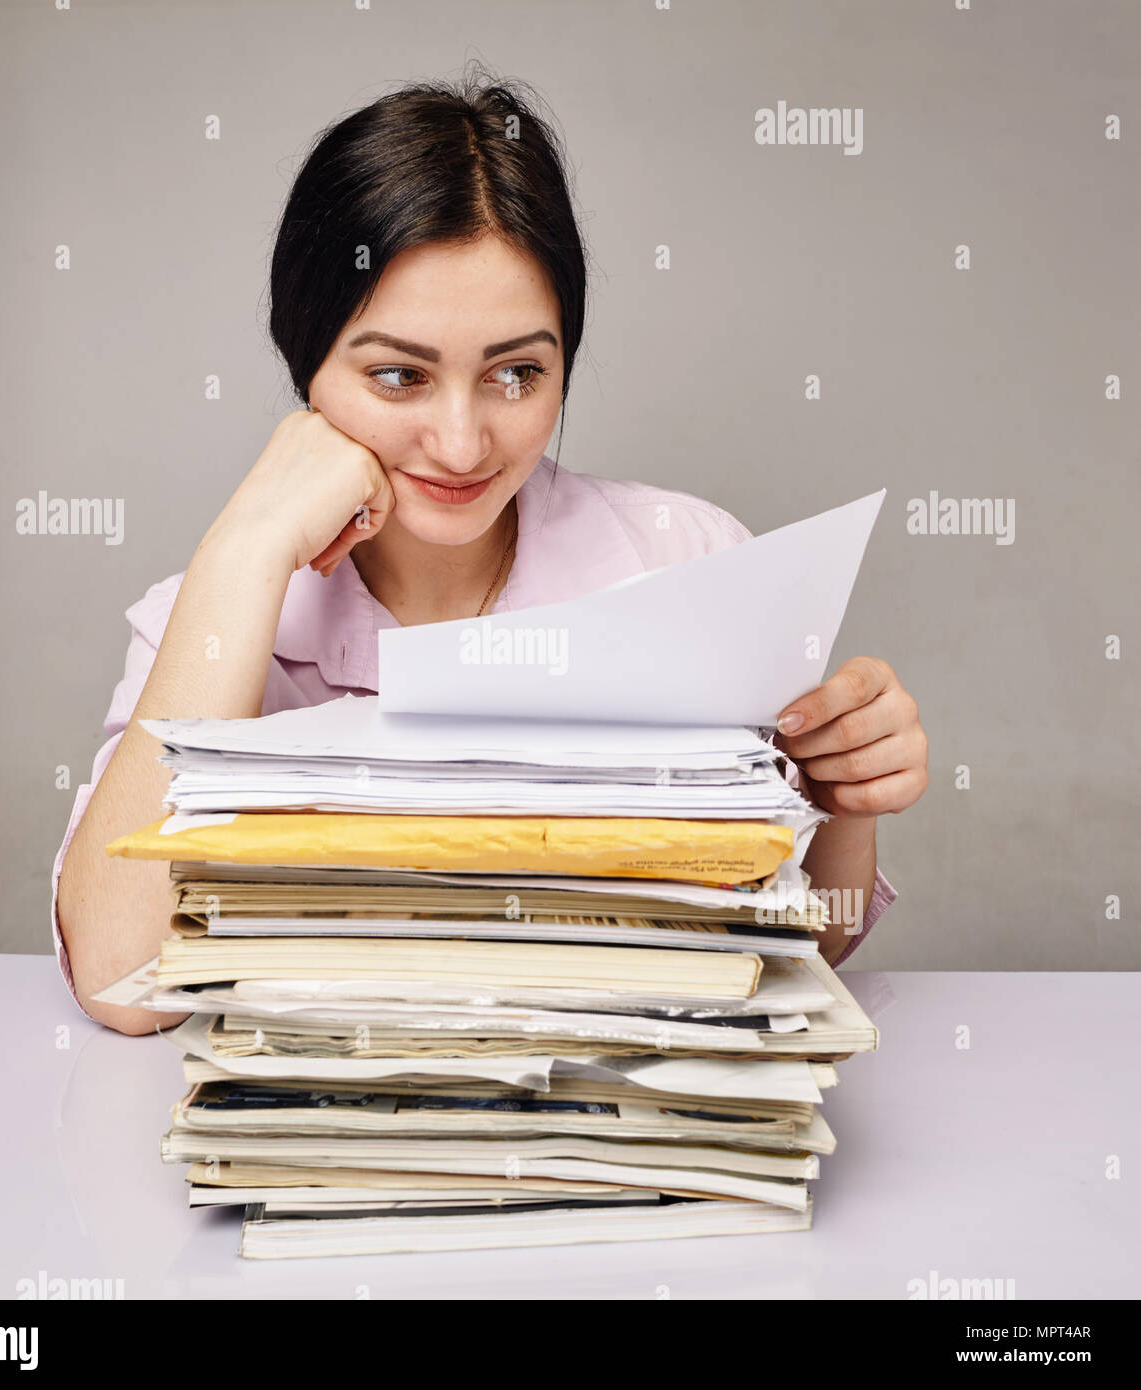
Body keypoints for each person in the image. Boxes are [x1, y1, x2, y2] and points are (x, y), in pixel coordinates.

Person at [54, 70, 927, 1035]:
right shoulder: (217, 613)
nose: (463, 445)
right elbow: (117, 977)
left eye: (517, 373)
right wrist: (246, 549)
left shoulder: (688, 562)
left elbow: (800, 950)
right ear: (308, 362)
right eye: (398, 376)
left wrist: (843, 798)